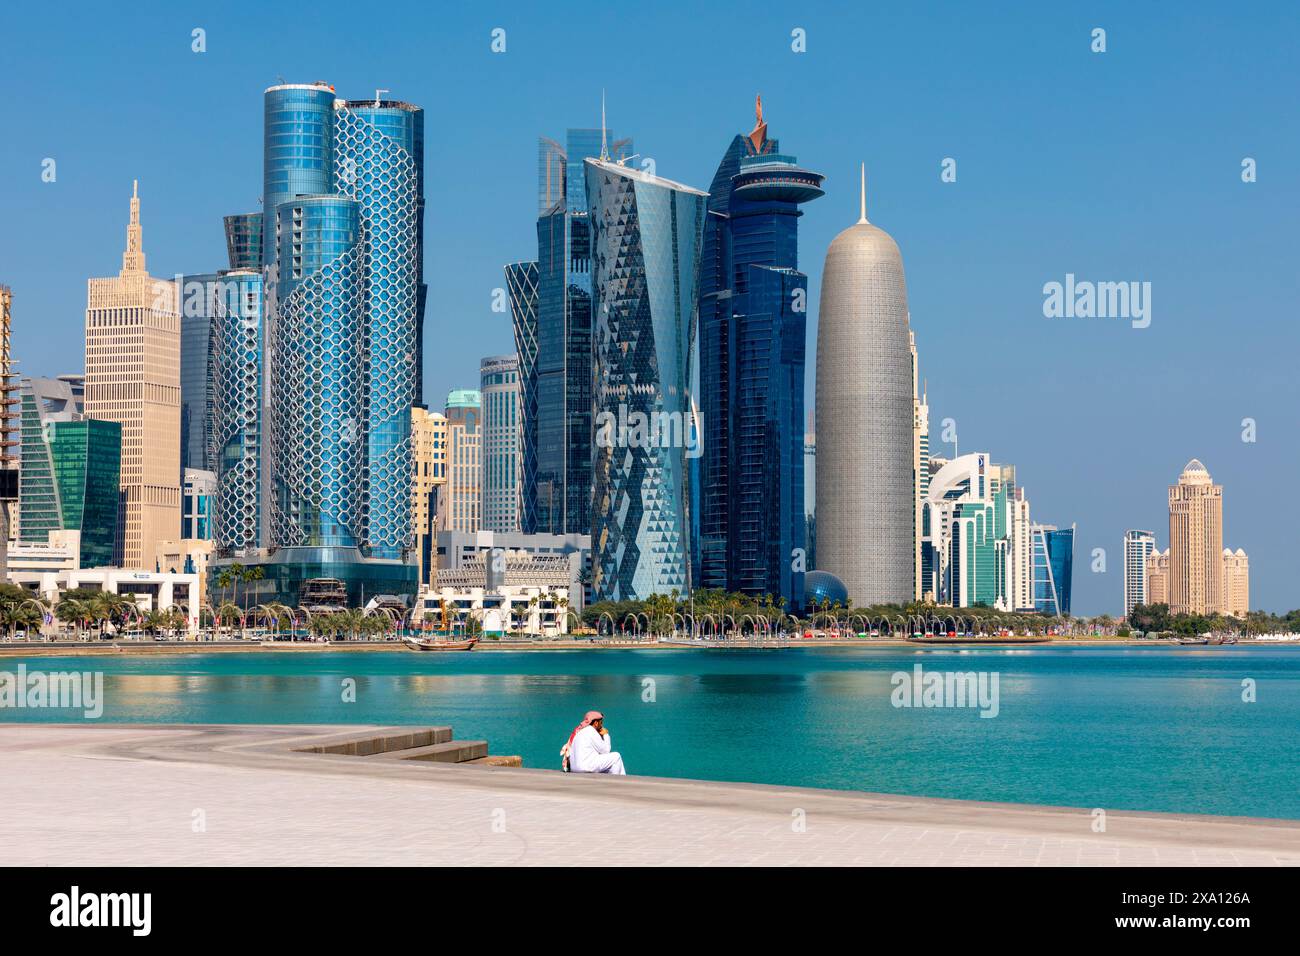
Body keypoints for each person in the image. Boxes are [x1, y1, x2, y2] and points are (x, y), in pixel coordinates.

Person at [560, 710, 626, 775]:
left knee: (609, 764)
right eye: (601, 723)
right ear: (596, 723)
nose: (602, 726)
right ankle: (620, 780)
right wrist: (606, 734)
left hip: (574, 768)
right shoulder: (591, 730)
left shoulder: (579, 732)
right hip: (585, 766)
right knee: (616, 757)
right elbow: (606, 751)